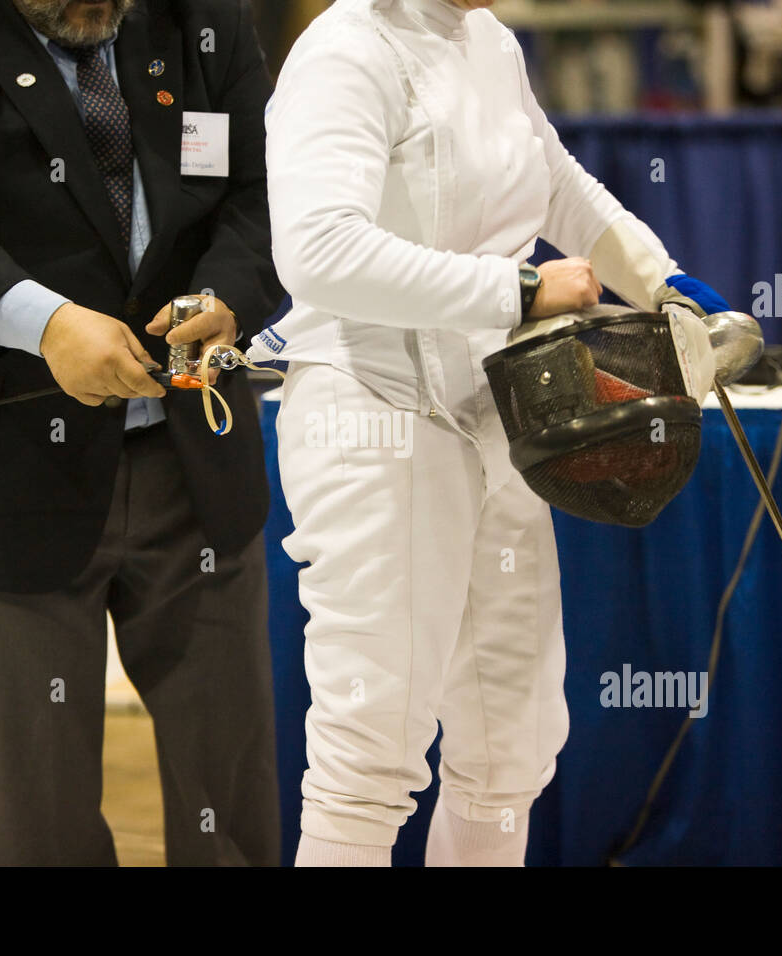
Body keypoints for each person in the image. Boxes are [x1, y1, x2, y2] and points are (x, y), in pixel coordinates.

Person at [250, 0, 728, 866]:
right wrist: (516, 290)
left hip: (493, 411)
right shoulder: (344, 50)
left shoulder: (489, 43)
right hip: (374, 415)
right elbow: (318, 251)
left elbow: (559, 185)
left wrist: (670, 282)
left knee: (513, 740)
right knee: (372, 749)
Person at [0, 0, 284, 865]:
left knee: (231, 814)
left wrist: (227, 294)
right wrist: (43, 325)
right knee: (42, 824)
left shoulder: (204, 19)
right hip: (5, 484)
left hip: (194, 476)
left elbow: (264, 193)